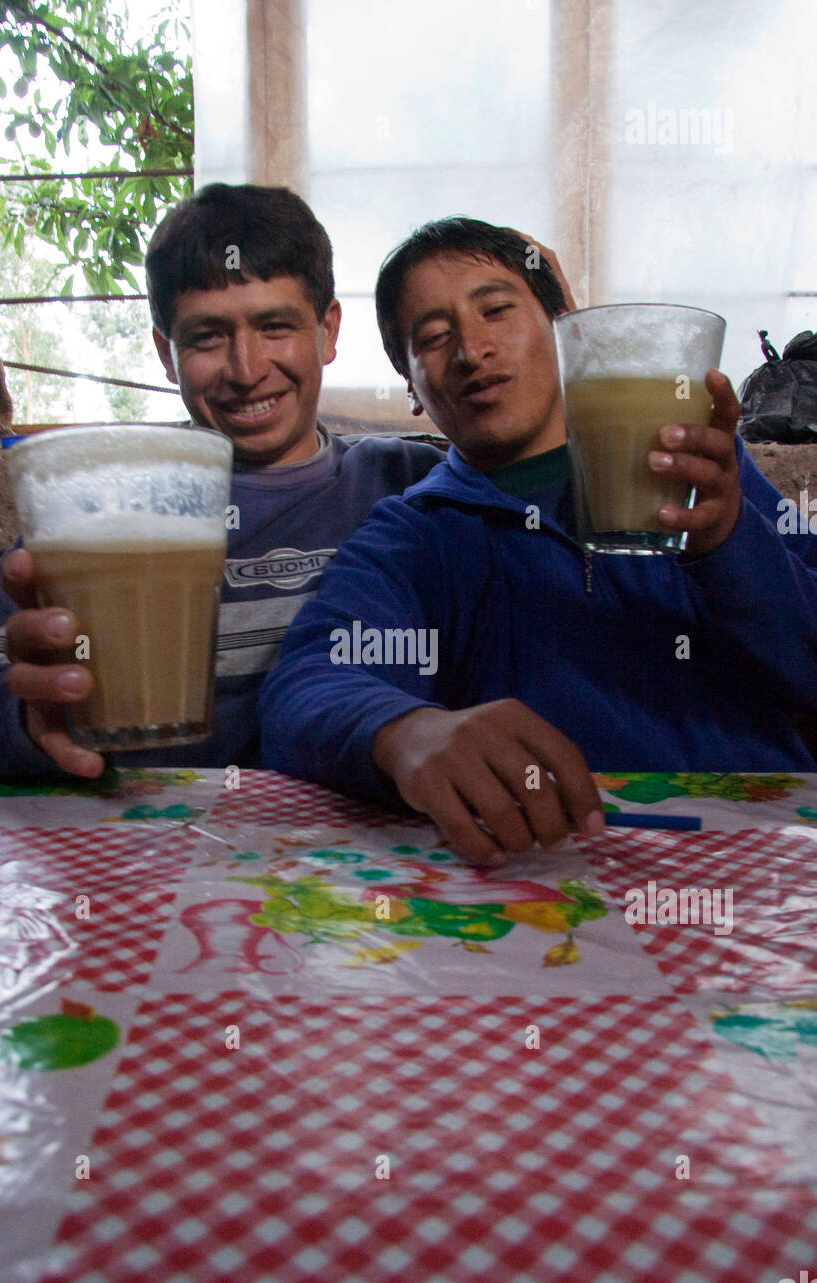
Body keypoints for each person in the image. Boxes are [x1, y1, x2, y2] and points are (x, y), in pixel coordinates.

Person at [259, 216, 817, 864]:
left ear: (566, 334)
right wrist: (406, 731)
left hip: (772, 861)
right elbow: (308, 682)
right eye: (434, 337)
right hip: (565, 868)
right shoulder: (420, 533)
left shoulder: (710, 473)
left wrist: (729, 542)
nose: (473, 350)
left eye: (497, 310)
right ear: (411, 387)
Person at [0, 184, 446, 802]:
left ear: (327, 330)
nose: (246, 368)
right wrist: (26, 719)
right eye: (208, 337)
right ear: (167, 353)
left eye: (275, 326)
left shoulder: (409, 483)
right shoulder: (88, 514)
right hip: (132, 851)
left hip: (354, 863)